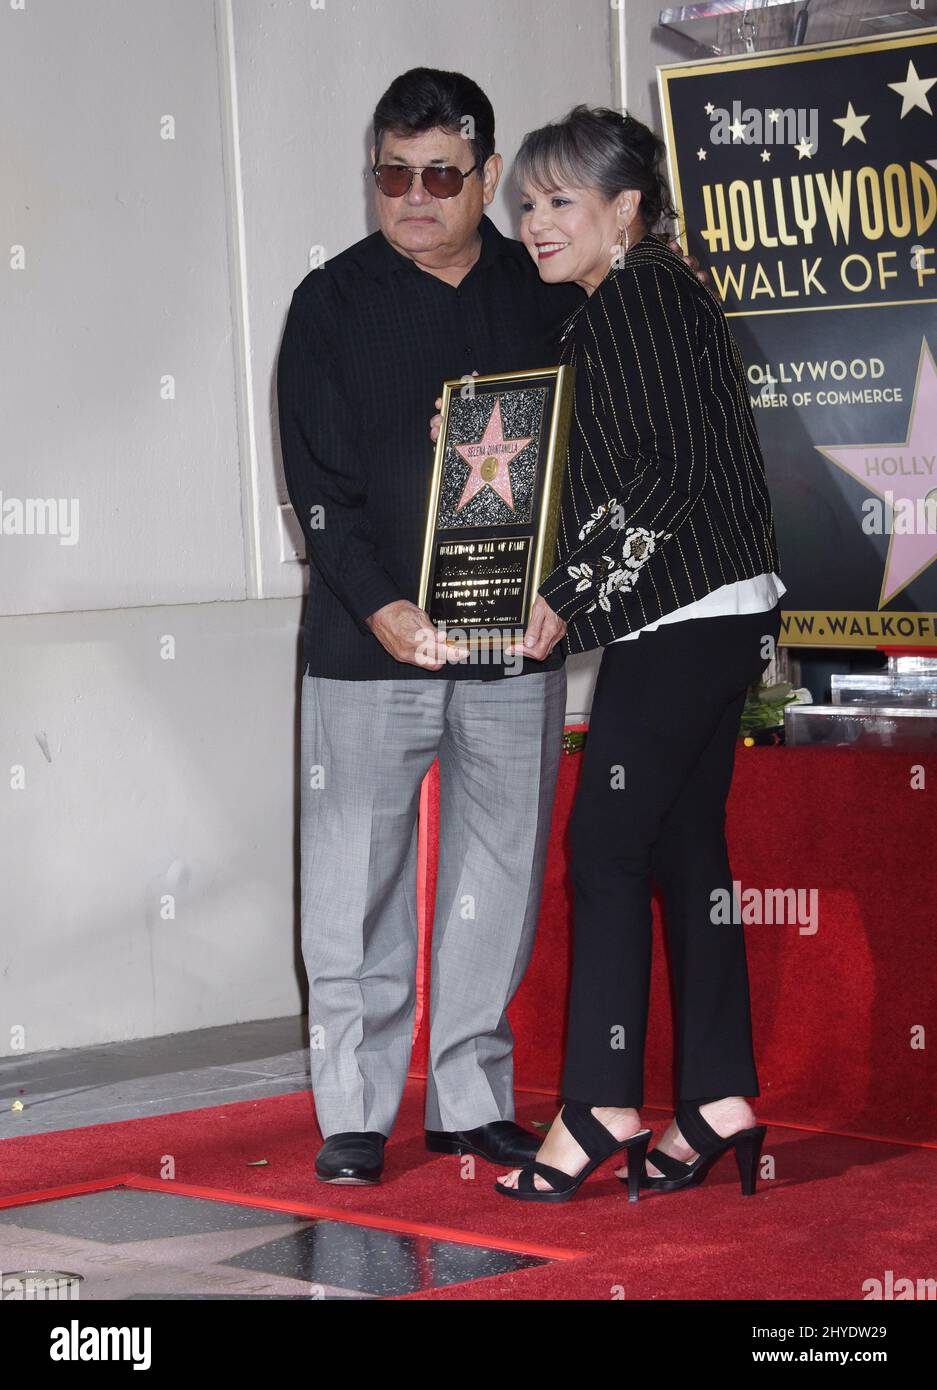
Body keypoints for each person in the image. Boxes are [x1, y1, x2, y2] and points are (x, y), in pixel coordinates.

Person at [277, 70, 703, 1187]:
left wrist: (561, 595)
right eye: (389, 174)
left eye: (438, 175)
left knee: (499, 875)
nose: (411, 196)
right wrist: (383, 606)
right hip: (366, 647)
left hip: (520, 638)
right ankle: (355, 1112)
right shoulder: (328, 302)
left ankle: (468, 1099)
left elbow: (625, 435)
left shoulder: (551, 287)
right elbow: (316, 487)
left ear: (485, 168)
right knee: (352, 881)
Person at [494, 106, 784, 1204]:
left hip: (684, 612)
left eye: (560, 200)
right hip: (715, 608)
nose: (533, 221)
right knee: (681, 850)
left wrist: (564, 596)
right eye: (526, 202)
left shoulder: (637, 296)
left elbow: (664, 474)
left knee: (605, 847)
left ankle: (599, 1101)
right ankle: (716, 1096)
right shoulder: (643, 298)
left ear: (626, 211)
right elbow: (639, 461)